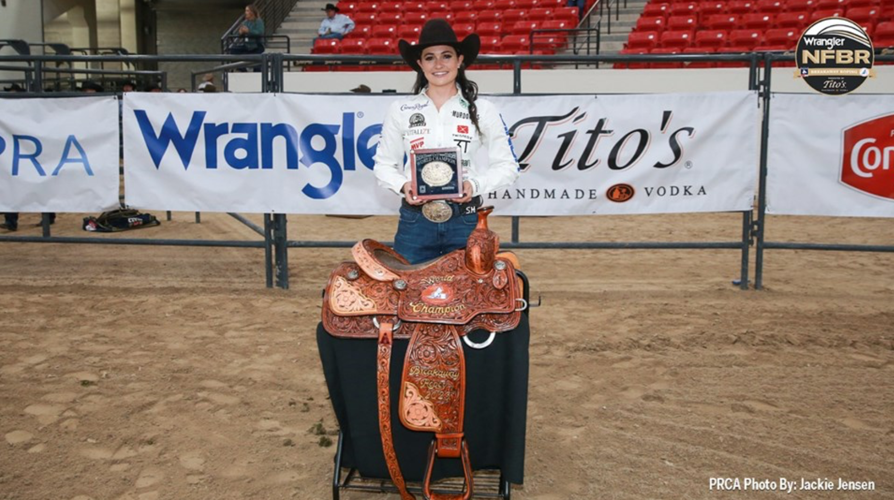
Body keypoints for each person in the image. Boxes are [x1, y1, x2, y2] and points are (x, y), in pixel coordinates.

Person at [373, 19, 520, 264]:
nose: (438, 64)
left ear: (460, 60)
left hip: (465, 220)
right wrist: (403, 185)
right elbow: (383, 165)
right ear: (419, 63)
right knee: (408, 296)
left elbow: (508, 167)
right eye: (429, 57)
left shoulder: (482, 109)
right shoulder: (401, 109)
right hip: (415, 222)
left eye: (446, 56)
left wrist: (474, 184)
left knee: (470, 298)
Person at [1, 83, 56, 232]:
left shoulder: (28, 110)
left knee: (39, 185)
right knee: (11, 186)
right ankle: (11, 221)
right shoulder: (6, 113)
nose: (10, 97)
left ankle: (49, 216)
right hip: (17, 154)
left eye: (13, 94)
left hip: (31, 153)